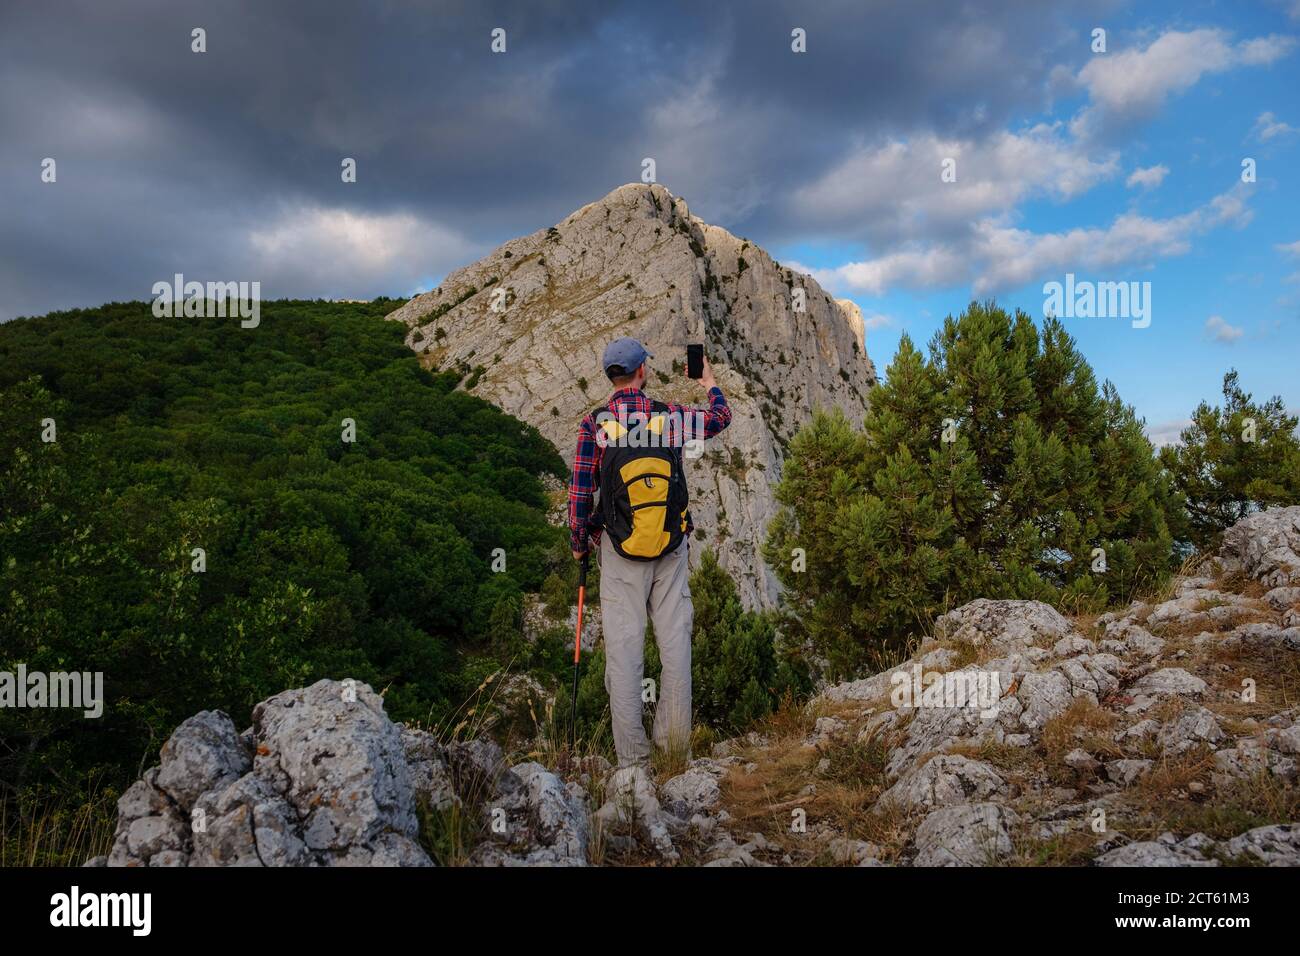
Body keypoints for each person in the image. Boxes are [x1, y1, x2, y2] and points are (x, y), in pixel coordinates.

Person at [567, 336, 732, 767]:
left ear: (612, 376)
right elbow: (720, 418)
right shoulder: (668, 417)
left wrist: (579, 543)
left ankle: (633, 762)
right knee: (675, 644)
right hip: (670, 546)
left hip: (620, 552)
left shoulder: (594, 424)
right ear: (642, 371)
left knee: (625, 650)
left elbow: (581, 491)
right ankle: (674, 748)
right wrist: (709, 382)